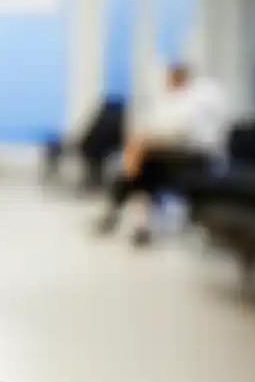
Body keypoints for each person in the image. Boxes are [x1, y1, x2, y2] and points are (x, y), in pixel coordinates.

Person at [95, 64, 227, 246]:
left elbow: (182, 133)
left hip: (196, 158)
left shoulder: (196, 99)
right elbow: (159, 128)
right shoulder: (173, 100)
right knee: (142, 169)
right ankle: (140, 226)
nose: (166, 82)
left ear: (179, 78)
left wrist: (146, 142)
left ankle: (115, 213)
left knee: (139, 165)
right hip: (172, 155)